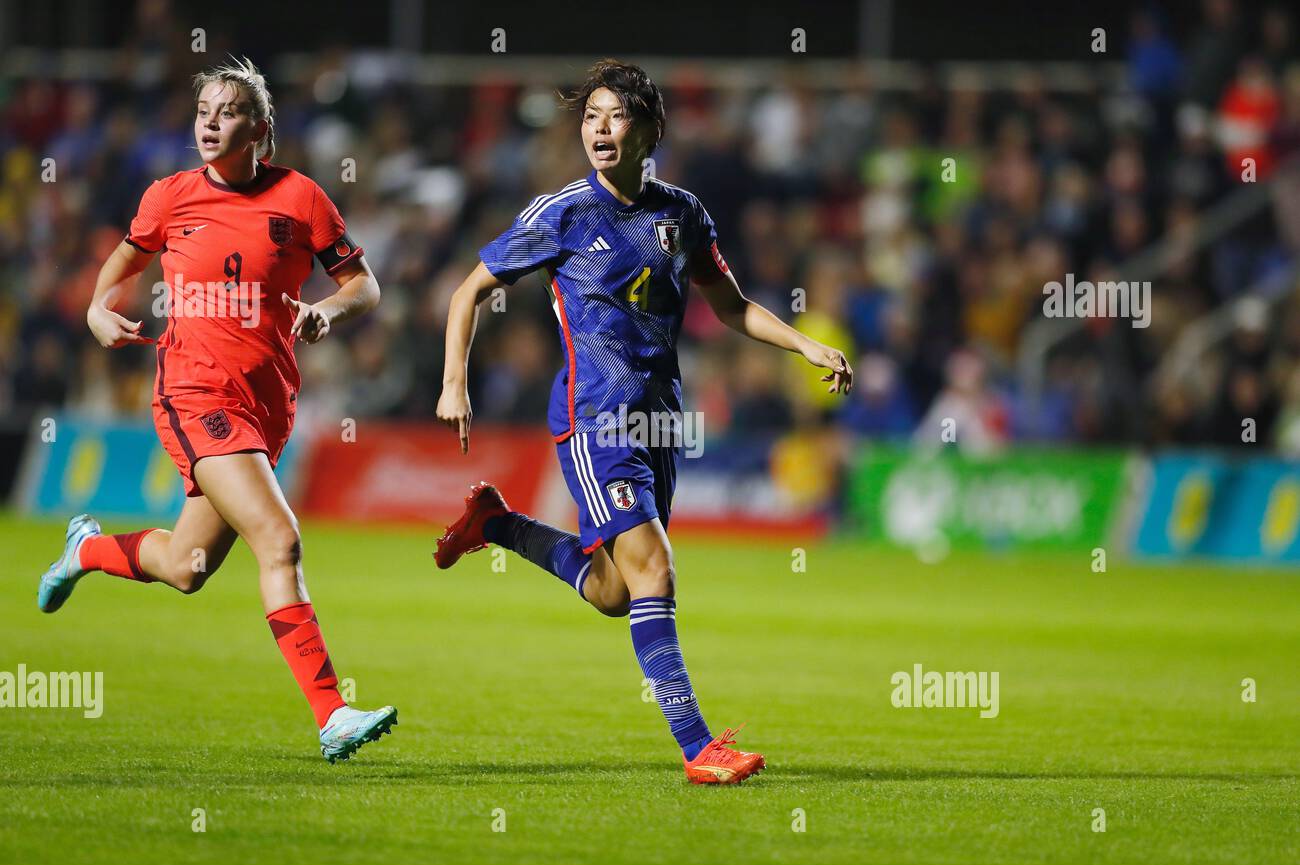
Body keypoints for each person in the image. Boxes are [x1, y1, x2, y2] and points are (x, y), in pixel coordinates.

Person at [434, 59, 852, 784]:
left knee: (614, 591)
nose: (598, 128)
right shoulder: (560, 214)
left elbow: (731, 306)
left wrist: (805, 343)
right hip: (592, 419)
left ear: (648, 129)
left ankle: (496, 523)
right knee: (654, 567)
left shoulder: (681, 214)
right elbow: (468, 291)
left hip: (659, 422)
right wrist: (453, 384)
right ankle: (700, 748)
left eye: (614, 116)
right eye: (590, 116)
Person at [38, 57, 397, 763]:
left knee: (185, 566)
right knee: (279, 538)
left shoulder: (302, 200)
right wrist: (96, 310)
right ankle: (332, 715)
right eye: (203, 110)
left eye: (227, 110)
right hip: (194, 392)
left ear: (261, 127)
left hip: (267, 406)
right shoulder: (169, 196)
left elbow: (365, 285)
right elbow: (120, 264)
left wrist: (327, 312)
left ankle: (87, 548)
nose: (210, 121)